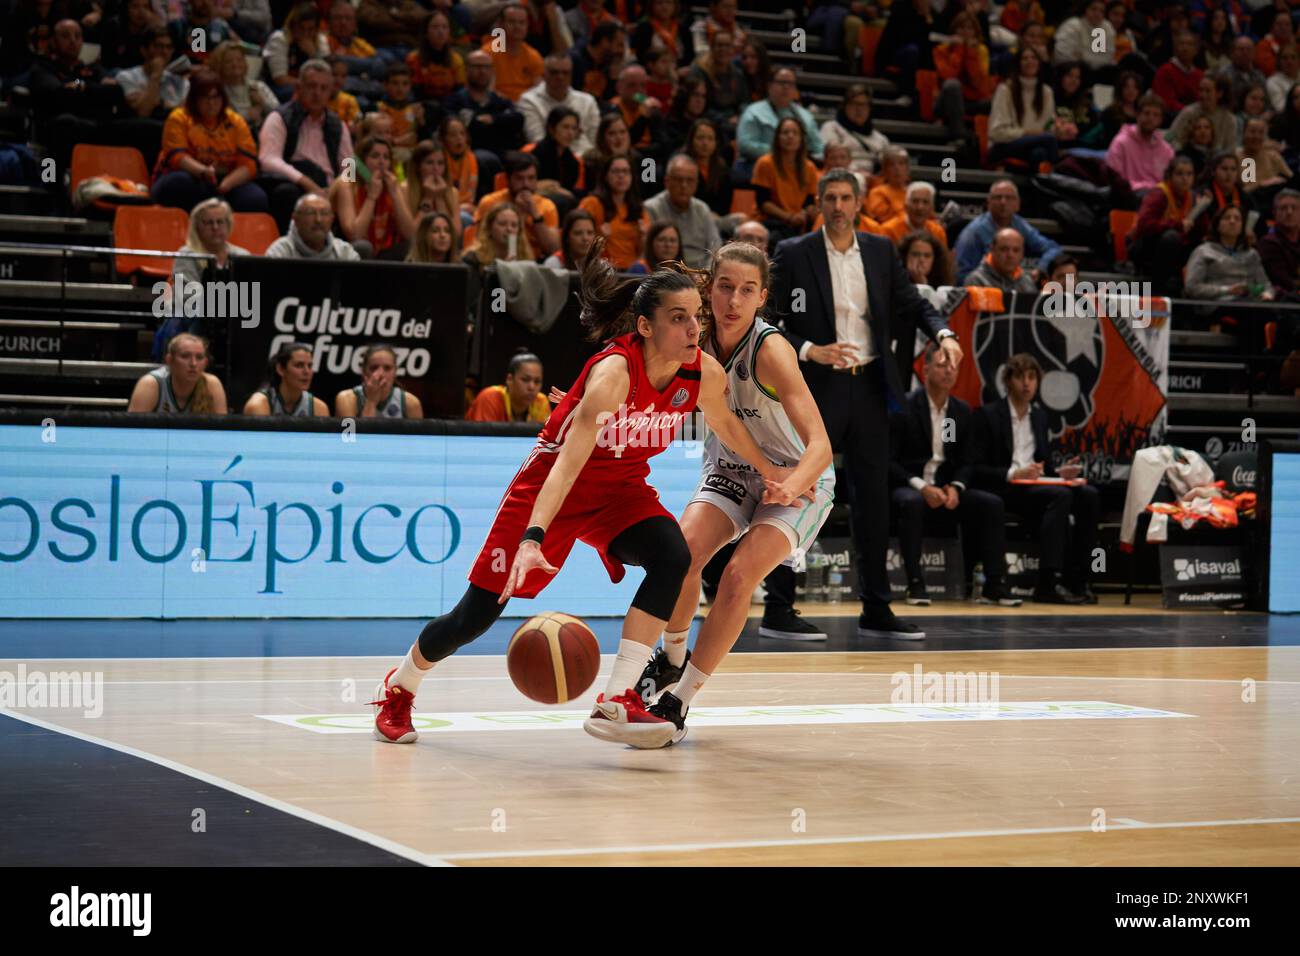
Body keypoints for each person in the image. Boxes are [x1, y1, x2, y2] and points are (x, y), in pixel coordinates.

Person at [369, 246, 806, 748]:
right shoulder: (613, 377)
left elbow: (729, 424)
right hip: (553, 490)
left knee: (673, 554)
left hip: (620, 492)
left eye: (698, 318)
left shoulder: (702, 372)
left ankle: (617, 698)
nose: (694, 329)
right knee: (475, 615)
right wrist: (533, 538)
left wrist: (774, 469)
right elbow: (565, 467)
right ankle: (400, 688)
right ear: (644, 326)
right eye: (679, 318)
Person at [631, 241, 835, 739]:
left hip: (797, 478)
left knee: (740, 576)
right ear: (709, 288)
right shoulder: (689, 339)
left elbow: (822, 446)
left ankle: (680, 701)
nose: (733, 300)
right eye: (725, 287)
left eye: (747, 290)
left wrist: (790, 484)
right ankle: (672, 658)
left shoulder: (772, 352)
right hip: (732, 466)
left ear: (761, 297)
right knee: (681, 553)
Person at [771, 169, 963, 641]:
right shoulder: (794, 254)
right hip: (816, 388)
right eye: (830, 198)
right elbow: (770, 321)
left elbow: (915, 303)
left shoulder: (879, 252)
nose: (838, 206)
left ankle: (876, 606)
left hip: (871, 388)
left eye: (845, 198)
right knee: (798, 492)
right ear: (818, 203)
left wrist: (944, 333)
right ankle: (778, 607)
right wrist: (810, 349)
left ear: (859, 204)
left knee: (873, 503)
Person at [889, 341, 1021, 607]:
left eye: (953, 366)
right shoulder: (903, 406)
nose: (948, 371)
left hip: (945, 488)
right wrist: (921, 487)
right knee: (912, 503)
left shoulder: (961, 411)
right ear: (925, 370)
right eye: (941, 365)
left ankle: (994, 584)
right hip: (910, 486)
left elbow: (966, 460)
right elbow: (888, 461)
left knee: (991, 504)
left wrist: (956, 487)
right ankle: (915, 583)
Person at [970, 353, 1098, 604]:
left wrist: (1060, 473)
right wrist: (1012, 473)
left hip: (1034, 487)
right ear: (1008, 381)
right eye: (1020, 377)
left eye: (1031, 377)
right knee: (1060, 496)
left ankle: (1079, 579)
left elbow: (1043, 465)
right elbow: (975, 468)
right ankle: (1048, 582)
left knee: (1088, 495)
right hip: (1004, 488)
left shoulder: (1039, 417)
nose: (1026, 384)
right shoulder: (987, 414)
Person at [152, 67, 269, 213]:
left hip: (225, 179)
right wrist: (204, 172)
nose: (211, 103)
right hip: (185, 176)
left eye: (216, 97)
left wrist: (226, 184)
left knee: (255, 199)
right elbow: (177, 157)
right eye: (205, 97)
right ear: (194, 98)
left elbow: (248, 164)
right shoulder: (179, 117)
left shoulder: (236, 121)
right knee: (181, 183)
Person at [257, 58, 354, 233]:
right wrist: (306, 182)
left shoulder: (337, 124)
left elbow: (349, 164)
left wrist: (342, 188)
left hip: (329, 189)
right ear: (298, 87)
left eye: (323, 88)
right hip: (296, 186)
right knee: (285, 193)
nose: (317, 93)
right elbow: (268, 159)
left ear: (330, 92)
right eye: (311, 86)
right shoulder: (279, 117)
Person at [952, 179, 1062, 280]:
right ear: (988, 203)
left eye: (1009, 198)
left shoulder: (1019, 224)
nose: (1003, 202)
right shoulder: (973, 233)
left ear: (1017, 204)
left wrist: (1041, 268)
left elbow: (1052, 248)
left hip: (1013, 282)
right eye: (998, 197)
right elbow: (962, 275)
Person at [333, 135, 418, 258]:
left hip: (384, 252)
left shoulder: (394, 186)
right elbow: (354, 235)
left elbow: (409, 234)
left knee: (412, 245)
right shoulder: (346, 185)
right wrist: (371, 197)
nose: (382, 162)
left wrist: (395, 194)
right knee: (363, 246)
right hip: (352, 252)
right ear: (361, 161)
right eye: (375, 156)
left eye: (386, 157)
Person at [734, 66, 824, 182]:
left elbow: (818, 147)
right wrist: (782, 153)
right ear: (769, 86)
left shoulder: (806, 116)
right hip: (761, 167)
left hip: (799, 168)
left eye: (790, 83)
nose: (786, 87)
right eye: (781, 82)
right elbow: (745, 145)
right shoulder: (753, 112)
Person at [1128, 154, 1199, 295]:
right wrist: (1177, 225)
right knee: (1171, 237)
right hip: (1144, 246)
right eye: (1180, 174)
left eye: (1189, 174)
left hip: (1172, 250)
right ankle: (1156, 290)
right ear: (1169, 176)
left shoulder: (1192, 197)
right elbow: (1145, 226)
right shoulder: (1159, 194)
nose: (1185, 178)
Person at [474, 150, 561, 258]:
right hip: (496, 259)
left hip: (535, 263)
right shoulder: (490, 202)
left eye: (531, 178)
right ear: (508, 179)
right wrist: (517, 214)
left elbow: (553, 249)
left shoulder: (547, 206)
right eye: (519, 178)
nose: (526, 184)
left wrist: (535, 215)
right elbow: (480, 241)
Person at [987, 44, 1061, 169]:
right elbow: (996, 133)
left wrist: (1059, 129)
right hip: (1004, 145)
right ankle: (1059, 176)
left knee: (1039, 153)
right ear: (1018, 64)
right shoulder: (1005, 89)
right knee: (1049, 140)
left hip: (1035, 145)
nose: (1030, 61)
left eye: (1033, 58)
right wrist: (1027, 133)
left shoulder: (1046, 92)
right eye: (1025, 58)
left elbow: (1049, 126)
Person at [643, 154, 722, 269]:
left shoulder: (702, 208)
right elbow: (648, 251)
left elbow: (715, 247)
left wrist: (705, 274)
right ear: (667, 181)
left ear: (696, 183)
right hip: (665, 273)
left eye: (689, 180)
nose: (684, 185)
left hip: (700, 273)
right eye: (678, 180)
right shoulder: (652, 208)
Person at [1184, 204, 1275, 302]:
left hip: (1249, 303)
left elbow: (1265, 285)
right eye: (1227, 218)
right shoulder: (1203, 251)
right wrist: (1226, 290)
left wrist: (1267, 293)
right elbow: (1192, 287)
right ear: (1217, 225)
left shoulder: (1252, 254)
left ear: (1242, 226)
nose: (1232, 221)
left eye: (1237, 219)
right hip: (1219, 304)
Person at [519, 54, 601, 157]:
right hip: (548, 159)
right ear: (544, 74)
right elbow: (537, 140)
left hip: (586, 159)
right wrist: (575, 134)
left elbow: (595, 141)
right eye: (554, 72)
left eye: (565, 73)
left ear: (571, 75)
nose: (560, 77)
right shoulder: (529, 100)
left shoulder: (587, 101)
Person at [578, 155, 651, 271]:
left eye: (625, 171)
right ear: (605, 176)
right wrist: (600, 237)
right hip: (602, 269)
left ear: (632, 177)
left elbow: (645, 252)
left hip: (633, 271)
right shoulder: (591, 203)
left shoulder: (638, 209)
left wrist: (643, 237)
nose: (621, 176)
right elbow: (578, 239)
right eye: (615, 171)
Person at [127, 332, 229, 414]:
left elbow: (222, 435)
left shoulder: (211, 385)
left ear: (206, 362)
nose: (193, 363)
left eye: (199, 357)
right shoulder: (151, 384)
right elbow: (133, 433)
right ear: (169, 360)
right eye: (185, 356)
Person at [1106, 92, 1176, 194]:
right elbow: (1115, 180)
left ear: (1161, 120)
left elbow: (1170, 181)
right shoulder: (1120, 143)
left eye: (1156, 115)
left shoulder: (1166, 150)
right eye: (1146, 113)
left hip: (1158, 197)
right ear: (1137, 115)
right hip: (1129, 196)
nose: (1150, 118)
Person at [173, 197, 250, 286]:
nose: (215, 227)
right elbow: (186, 297)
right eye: (209, 222)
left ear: (228, 225)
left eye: (220, 222)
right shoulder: (186, 255)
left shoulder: (243, 255)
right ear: (197, 227)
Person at [818, 84, 890, 179]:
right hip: (840, 177)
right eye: (854, 104)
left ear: (870, 108)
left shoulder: (881, 139)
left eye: (863, 105)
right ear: (845, 106)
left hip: (872, 182)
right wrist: (855, 173)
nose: (859, 109)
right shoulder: (832, 128)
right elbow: (831, 159)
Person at [116, 26, 189, 120]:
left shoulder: (179, 80)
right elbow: (143, 112)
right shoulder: (127, 77)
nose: (165, 52)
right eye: (159, 46)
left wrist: (161, 105)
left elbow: (186, 114)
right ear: (144, 50)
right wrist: (155, 76)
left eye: (169, 47)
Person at [334, 342, 424, 418]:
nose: (380, 374)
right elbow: (350, 438)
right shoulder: (346, 400)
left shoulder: (411, 404)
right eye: (374, 368)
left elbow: (418, 439)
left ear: (395, 372)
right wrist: (371, 402)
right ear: (364, 372)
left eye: (387, 368)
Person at [265, 192, 362, 259]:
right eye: (310, 213)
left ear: (332, 219)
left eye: (324, 213)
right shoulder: (280, 252)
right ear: (295, 218)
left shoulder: (344, 251)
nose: (318, 220)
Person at [243, 341, 330, 416]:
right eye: (299, 365)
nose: (307, 371)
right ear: (280, 369)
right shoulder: (258, 405)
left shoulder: (319, 408)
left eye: (310, 366)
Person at [480, 3, 543, 102]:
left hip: (526, 106)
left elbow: (538, 90)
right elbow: (486, 90)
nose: (517, 26)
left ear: (527, 26)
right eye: (511, 22)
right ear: (501, 25)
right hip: (497, 105)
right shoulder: (488, 53)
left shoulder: (533, 56)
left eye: (522, 22)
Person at [210, 38, 278, 131]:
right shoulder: (215, 92)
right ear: (219, 66)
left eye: (239, 60)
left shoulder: (258, 86)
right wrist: (247, 117)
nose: (235, 65)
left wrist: (262, 103)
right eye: (229, 61)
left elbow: (280, 114)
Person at [464, 350, 549, 422]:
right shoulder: (489, 398)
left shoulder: (541, 402)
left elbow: (547, 439)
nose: (532, 387)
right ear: (510, 379)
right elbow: (483, 440)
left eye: (537, 381)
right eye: (525, 380)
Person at [961, 227, 1040, 299]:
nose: (1010, 255)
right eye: (1004, 249)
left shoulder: (1027, 282)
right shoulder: (976, 281)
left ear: (1022, 254)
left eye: (1016, 250)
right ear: (992, 250)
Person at [1166, 74, 1236, 151]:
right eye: (1200, 90)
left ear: (1219, 93)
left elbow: (1230, 149)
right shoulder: (1189, 112)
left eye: (1208, 91)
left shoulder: (1229, 119)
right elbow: (1169, 137)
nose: (1203, 95)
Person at [406, 9, 465, 101]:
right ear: (425, 32)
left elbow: (459, 90)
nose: (440, 31)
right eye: (435, 27)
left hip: (449, 105)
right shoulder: (413, 58)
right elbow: (413, 91)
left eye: (445, 27)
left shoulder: (456, 59)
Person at [681, 117, 733, 218]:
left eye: (710, 139)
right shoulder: (681, 165)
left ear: (715, 143)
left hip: (716, 219)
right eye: (700, 138)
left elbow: (725, 202)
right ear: (691, 140)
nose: (705, 143)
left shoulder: (722, 168)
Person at [462, 201, 533, 269]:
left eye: (514, 225)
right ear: (489, 228)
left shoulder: (525, 258)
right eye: (502, 224)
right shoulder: (473, 258)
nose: (509, 229)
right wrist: (502, 270)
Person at [879, 181, 947, 249]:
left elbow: (942, 258)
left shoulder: (938, 232)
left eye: (925, 202)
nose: (920, 207)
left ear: (932, 208)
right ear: (906, 206)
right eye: (915, 201)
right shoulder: (888, 230)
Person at [1153, 31, 1204, 116]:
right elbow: (1166, 103)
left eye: (1189, 44)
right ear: (1175, 49)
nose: (1185, 48)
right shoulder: (1165, 71)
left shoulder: (1199, 75)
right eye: (1181, 44)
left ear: (1196, 50)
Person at [864, 145, 910, 224]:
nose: (897, 168)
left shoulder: (914, 191)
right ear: (884, 169)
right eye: (892, 165)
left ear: (907, 168)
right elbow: (882, 218)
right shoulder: (877, 192)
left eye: (901, 164)